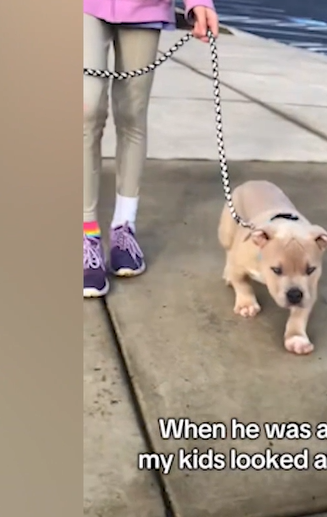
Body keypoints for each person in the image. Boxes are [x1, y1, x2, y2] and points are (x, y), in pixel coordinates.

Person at [83, 0, 221, 298]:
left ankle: (124, 228)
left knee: (133, 111)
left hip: (144, 7)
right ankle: (86, 232)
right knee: (86, 109)